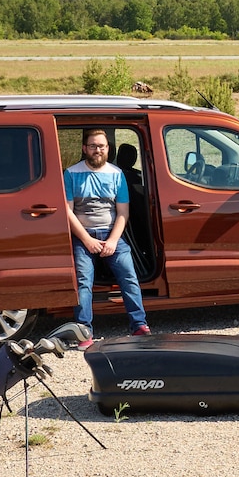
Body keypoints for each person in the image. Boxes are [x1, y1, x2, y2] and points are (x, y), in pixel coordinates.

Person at [66, 128, 149, 343]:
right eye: (93, 146)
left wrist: (112, 241)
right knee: (84, 281)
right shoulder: (71, 174)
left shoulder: (116, 174)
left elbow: (123, 213)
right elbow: (68, 212)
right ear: (85, 149)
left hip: (112, 234)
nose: (97, 150)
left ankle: (139, 325)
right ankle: (84, 332)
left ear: (107, 149)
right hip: (83, 237)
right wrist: (87, 240)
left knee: (129, 276)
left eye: (101, 146)